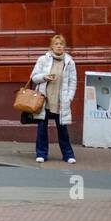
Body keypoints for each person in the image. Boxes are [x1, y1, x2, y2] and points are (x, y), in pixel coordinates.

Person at [30, 34, 77, 164]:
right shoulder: (43, 59)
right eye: (56, 44)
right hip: (44, 99)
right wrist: (44, 77)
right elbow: (34, 77)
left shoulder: (69, 62)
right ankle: (41, 154)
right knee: (42, 128)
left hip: (61, 101)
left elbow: (73, 82)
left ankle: (68, 155)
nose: (59, 46)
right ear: (51, 46)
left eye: (61, 44)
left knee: (63, 129)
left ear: (64, 46)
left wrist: (69, 97)